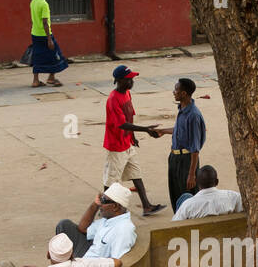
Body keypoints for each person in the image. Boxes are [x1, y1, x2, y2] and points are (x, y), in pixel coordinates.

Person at [104, 65, 165, 215]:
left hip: (127, 143)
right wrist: (146, 129)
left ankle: (147, 206)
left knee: (136, 174)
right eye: (128, 79)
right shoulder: (113, 99)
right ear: (118, 81)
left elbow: (129, 117)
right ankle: (105, 208)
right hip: (116, 146)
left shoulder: (127, 94)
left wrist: (133, 137)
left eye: (132, 79)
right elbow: (121, 124)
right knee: (111, 180)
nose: (131, 82)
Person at [54, 182, 138, 261]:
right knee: (64, 225)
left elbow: (117, 262)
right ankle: (63, 266)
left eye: (104, 201)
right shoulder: (108, 219)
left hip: (90, 266)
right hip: (87, 254)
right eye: (101, 199)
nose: (100, 204)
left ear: (115, 206)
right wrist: (95, 205)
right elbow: (83, 228)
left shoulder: (123, 230)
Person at [165, 77, 206, 210]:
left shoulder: (193, 115)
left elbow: (195, 148)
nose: (174, 92)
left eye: (176, 89)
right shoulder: (182, 110)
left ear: (184, 93)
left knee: (188, 199)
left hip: (186, 161)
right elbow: (179, 131)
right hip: (175, 158)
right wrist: (162, 131)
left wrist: (191, 174)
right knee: (176, 196)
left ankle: (192, 230)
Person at [28, 0, 68, 87]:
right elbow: (45, 22)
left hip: (35, 34)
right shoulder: (44, 4)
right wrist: (49, 39)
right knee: (55, 54)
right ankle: (51, 78)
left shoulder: (33, 2)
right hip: (45, 35)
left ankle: (35, 80)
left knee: (37, 56)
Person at [171, 165, 244, 220]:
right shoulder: (233, 196)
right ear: (216, 182)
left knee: (185, 197)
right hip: (227, 237)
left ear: (197, 183)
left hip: (197, 238)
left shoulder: (188, 205)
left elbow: (175, 224)